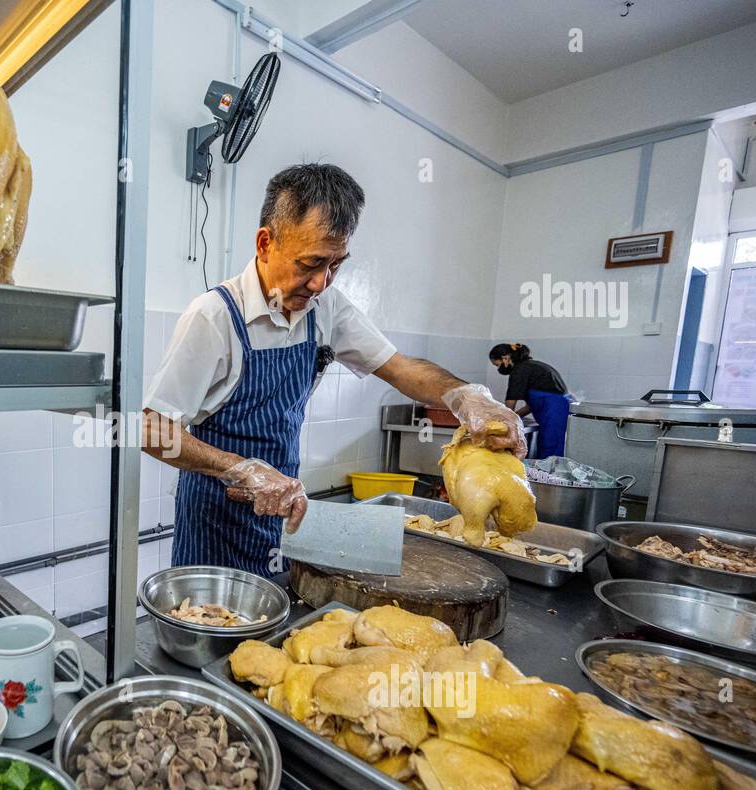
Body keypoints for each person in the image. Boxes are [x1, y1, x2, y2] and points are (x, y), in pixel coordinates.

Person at [141, 163, 525, 577]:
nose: (322, 282)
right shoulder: (214, 316)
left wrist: (465, 395)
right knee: (216, 630)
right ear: (266, 243)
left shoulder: (325, 307)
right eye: (310, 263)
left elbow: (399, 368)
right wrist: (239, 468)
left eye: (336, 265)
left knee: (278, 621)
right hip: (213, 520)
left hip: (282, 509)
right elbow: (151, 429)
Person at [489, 342, 571, 459]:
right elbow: (530, 406)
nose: (499, 368)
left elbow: (510, 402)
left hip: (555, 410)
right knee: (550, 444)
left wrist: (502, 422)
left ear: (505, 358)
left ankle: (549, 476)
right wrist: (516, 416)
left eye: (497, 365)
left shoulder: (520, 370)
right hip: (558, 409)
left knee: (551, 448)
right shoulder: (531, 366)